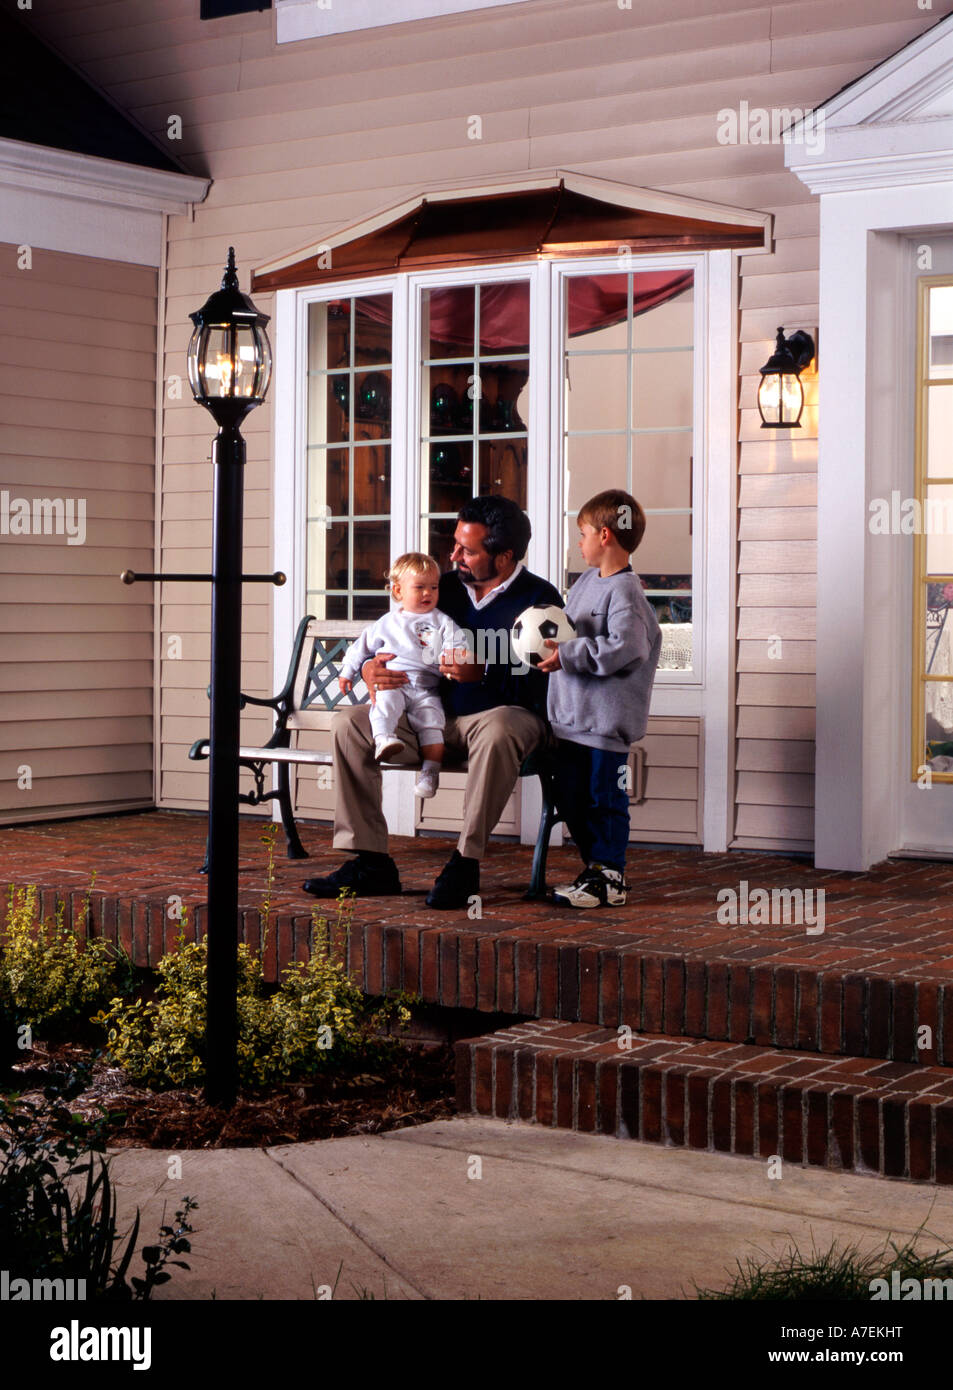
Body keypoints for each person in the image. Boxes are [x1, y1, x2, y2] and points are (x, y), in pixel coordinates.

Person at [302, 495, 563, 909]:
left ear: (504, 556)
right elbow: (391, 637)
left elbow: (550, 683)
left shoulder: (541, 601)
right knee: (350, 723)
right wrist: (370, 669)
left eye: (467, 550)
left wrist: (485, 672)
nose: (453, 556)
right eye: (455, 544)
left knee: (499, 728)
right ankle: (371, 861)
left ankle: (465, 862)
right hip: (431, 717)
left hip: (502, 720)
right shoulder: (440, 589)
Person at [537, 488, 662, 908]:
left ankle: (611, 878)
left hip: (604, 727)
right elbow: (570, 634)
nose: (580, 542)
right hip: (571, 722)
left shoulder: (626, 593)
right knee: (574, 799)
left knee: (604, 799)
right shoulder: (587, 583)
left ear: (605, 535)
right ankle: (595, 873)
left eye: (584, 533)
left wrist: (568, 655)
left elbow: (627, 649)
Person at [336, 552, 472, 800]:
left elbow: (457, 643)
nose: (428, 593)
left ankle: (430, 772)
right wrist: (347, 672)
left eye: (433, 587)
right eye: (419, 587)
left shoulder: (442, 621)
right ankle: (384, 738)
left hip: (426, 689)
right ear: (398, 591)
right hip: (395, 682)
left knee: (432, 723)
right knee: (384, 704)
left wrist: (453, 656)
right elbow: (360, 649)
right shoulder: (387, 623)